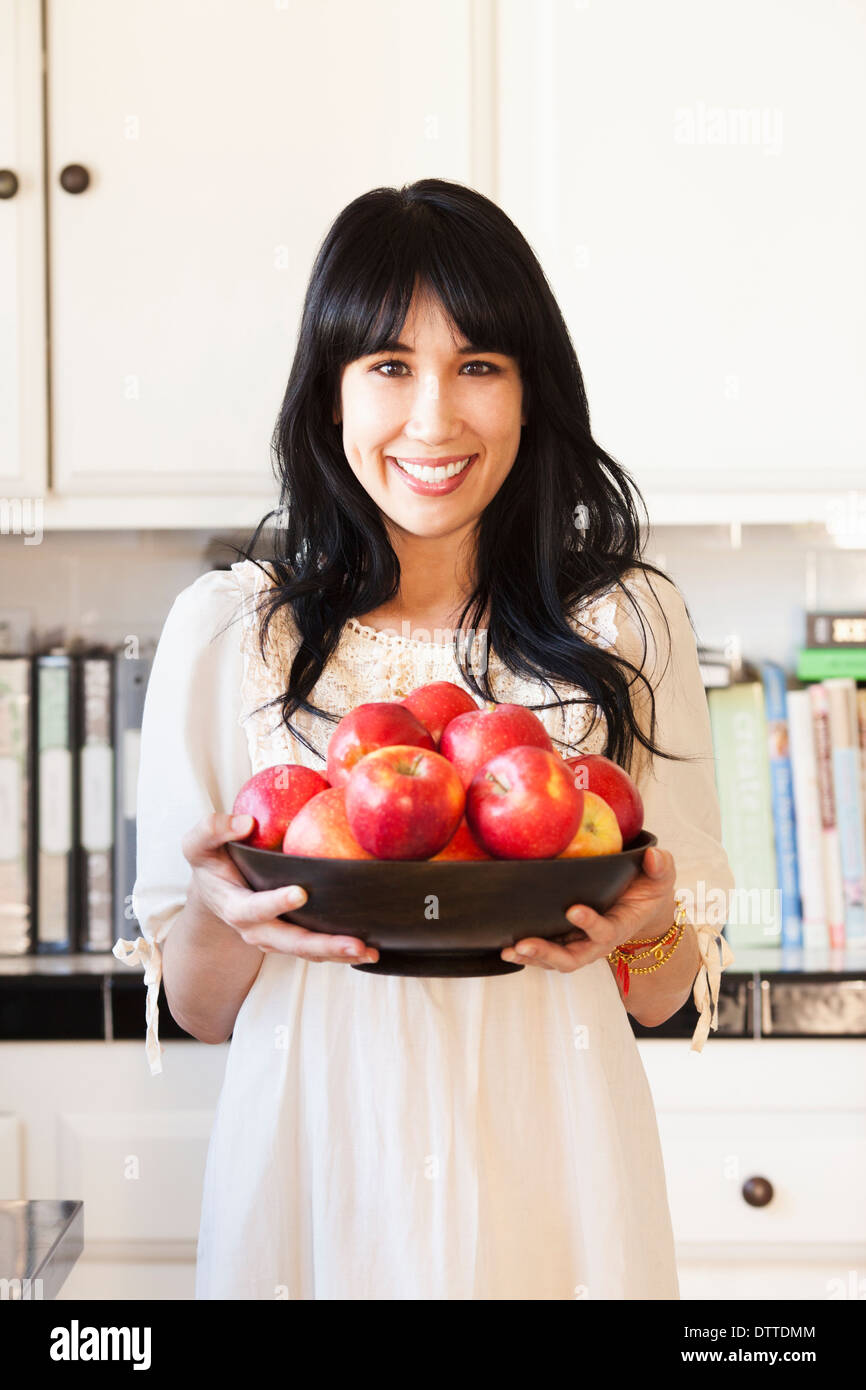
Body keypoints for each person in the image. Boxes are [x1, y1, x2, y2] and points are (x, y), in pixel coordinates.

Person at [114, 178, 735, 1301]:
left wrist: (642, 929)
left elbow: (660, 992)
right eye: (389, 367)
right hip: (316, 1174)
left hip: (561, 1172)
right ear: (331, 398)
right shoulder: (231, 632)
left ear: (530, 395)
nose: (434, 419)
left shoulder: (626, 623)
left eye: (478, 367)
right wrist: (223, 908)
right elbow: (204, 1011)